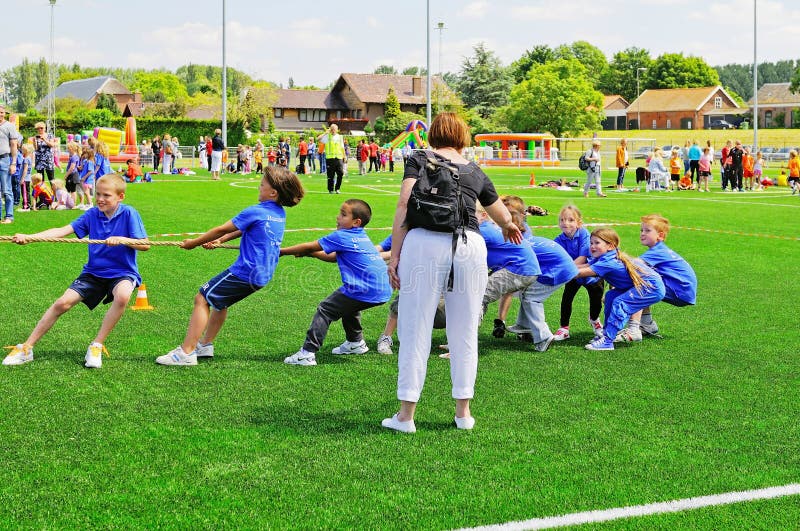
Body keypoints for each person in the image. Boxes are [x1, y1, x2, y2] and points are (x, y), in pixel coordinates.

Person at [382, 112, 522, 433]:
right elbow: (498, 210)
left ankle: (406, 416)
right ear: (462, 135)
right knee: (465, 329)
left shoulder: (418, 158)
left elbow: (404, 206)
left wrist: (396, 256)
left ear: (433, 133)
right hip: (470, 245)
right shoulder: (474, 169)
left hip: (425, 242)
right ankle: (463, 413)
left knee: (415, 325)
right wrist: (510, 225)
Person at [156, 166, 305, 366]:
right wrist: (222, 241)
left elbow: (221, 229)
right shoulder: (278, 213)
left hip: (246, 271)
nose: (258, 188)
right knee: (220, 302)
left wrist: (193, 243)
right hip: (262, 274)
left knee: (202, 298)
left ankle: (186, 352)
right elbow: (242, 229)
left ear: (273, 192)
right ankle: (205, 345)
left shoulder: (256, 210)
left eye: (262, 185)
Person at [5, 174, 150, 368]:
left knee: (123, 296)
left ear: (120, 197)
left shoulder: (129, 213)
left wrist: (123, 239)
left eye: (106, 195)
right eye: (98, 194)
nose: (100, 199)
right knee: (62, 303)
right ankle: (27, 348)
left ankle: (96, 345)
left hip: (122, 272)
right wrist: (30, 237)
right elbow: (62, 231)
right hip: (93, 273)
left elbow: (145, 245)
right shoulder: (92, 214)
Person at [282, 199, 392, 366]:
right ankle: (355, 343)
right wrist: (310, 254)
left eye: (343, 214)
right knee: (350, 305)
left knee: (325, 310)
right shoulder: (362, 236)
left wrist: (281, 251)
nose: (338, 217)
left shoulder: (342, 236)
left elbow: (310, 246)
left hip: (364, 288)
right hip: (381, 290)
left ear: (356, 222)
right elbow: (334, 257)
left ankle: (307, 353)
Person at [500, 196, 579, 352]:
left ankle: (544, 336)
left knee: (531, 298)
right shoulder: (524, 235)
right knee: (526, 290)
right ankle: (524, 325)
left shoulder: (516, 243)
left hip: (558, 270)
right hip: (558, 266)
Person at [575, 228, 665, 351]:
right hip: (644, 285)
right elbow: (584, 266)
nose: (592, 246)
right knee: (611, 297)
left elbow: (580, 273)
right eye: (591, 243)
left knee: (620, 302)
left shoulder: (608, 261)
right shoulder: (604, 256)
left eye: (597, 243)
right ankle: (606, 335)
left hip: (651, 287)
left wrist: (556, 271)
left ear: (611, 246)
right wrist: (562, 265)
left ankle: (607, 341)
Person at [615, 215, 697, 343]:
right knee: (640, 280)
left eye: (647, 231)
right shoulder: (658, 250)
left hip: (680, 291)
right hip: (682, 290)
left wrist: (611, 258)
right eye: (641, 230)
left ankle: (633, 330)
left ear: (661, 236)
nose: (642, 233)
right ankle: (647, 324)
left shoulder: (658, 251)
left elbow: (632, 265)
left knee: (636, 282)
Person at [552, 205, 604, 341]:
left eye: (570, 220)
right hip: (574, 274)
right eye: (562, 220)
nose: (565, 223)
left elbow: (583, 257)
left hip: (592, 273)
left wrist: (566, 270)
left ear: (579, 223)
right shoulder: (559, 240)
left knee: (596, 300)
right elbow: (554, 257)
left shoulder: (584, 234)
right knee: (567, 298)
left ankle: (594, 320)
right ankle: (564, 328)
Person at [0, 105, 20, 224]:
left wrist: (13, 163)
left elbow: (14, 145)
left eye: (2, 112)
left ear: (4, 114)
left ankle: (9, 216)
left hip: (5, 159)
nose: (0, 114)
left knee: (7, 190)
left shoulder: (9, 126)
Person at [319, 124, 346, 194]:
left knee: (341, 173)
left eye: (334, 129)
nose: (333, 130)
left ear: (337, 130)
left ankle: (337, 188)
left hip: (339, 158)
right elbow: (318, 139)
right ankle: (331, 189)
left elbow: (342, 147)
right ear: (330, 129)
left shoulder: (340, 137)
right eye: (332, 129)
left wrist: (344, 156)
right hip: (330, 159)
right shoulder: (327, 136)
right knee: (331, 175)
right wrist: (325, 133)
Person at [32, 122, 57, 187]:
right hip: (39, 160)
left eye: (41, 128)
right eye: (38, 128)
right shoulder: (36, 137)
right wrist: (34, 142)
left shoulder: (49, 135)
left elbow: (52, 145)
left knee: (51, 178)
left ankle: (55, 195)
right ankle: (42, 195)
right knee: (40, 179)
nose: (40, 130)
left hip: (48, 160)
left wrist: (44, 139)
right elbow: (36, 149)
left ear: (45, 128)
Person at [18, 143, 33, 212]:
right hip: (27, 179)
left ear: (26, 151)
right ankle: (27, 205)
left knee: (24, 192)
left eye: (23, 149)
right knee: (26, 192)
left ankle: (26, 206)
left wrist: (22, 179)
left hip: (25, 179)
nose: (21, 150)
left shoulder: (26, 159)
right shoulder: (28, 158)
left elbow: (25, 170)